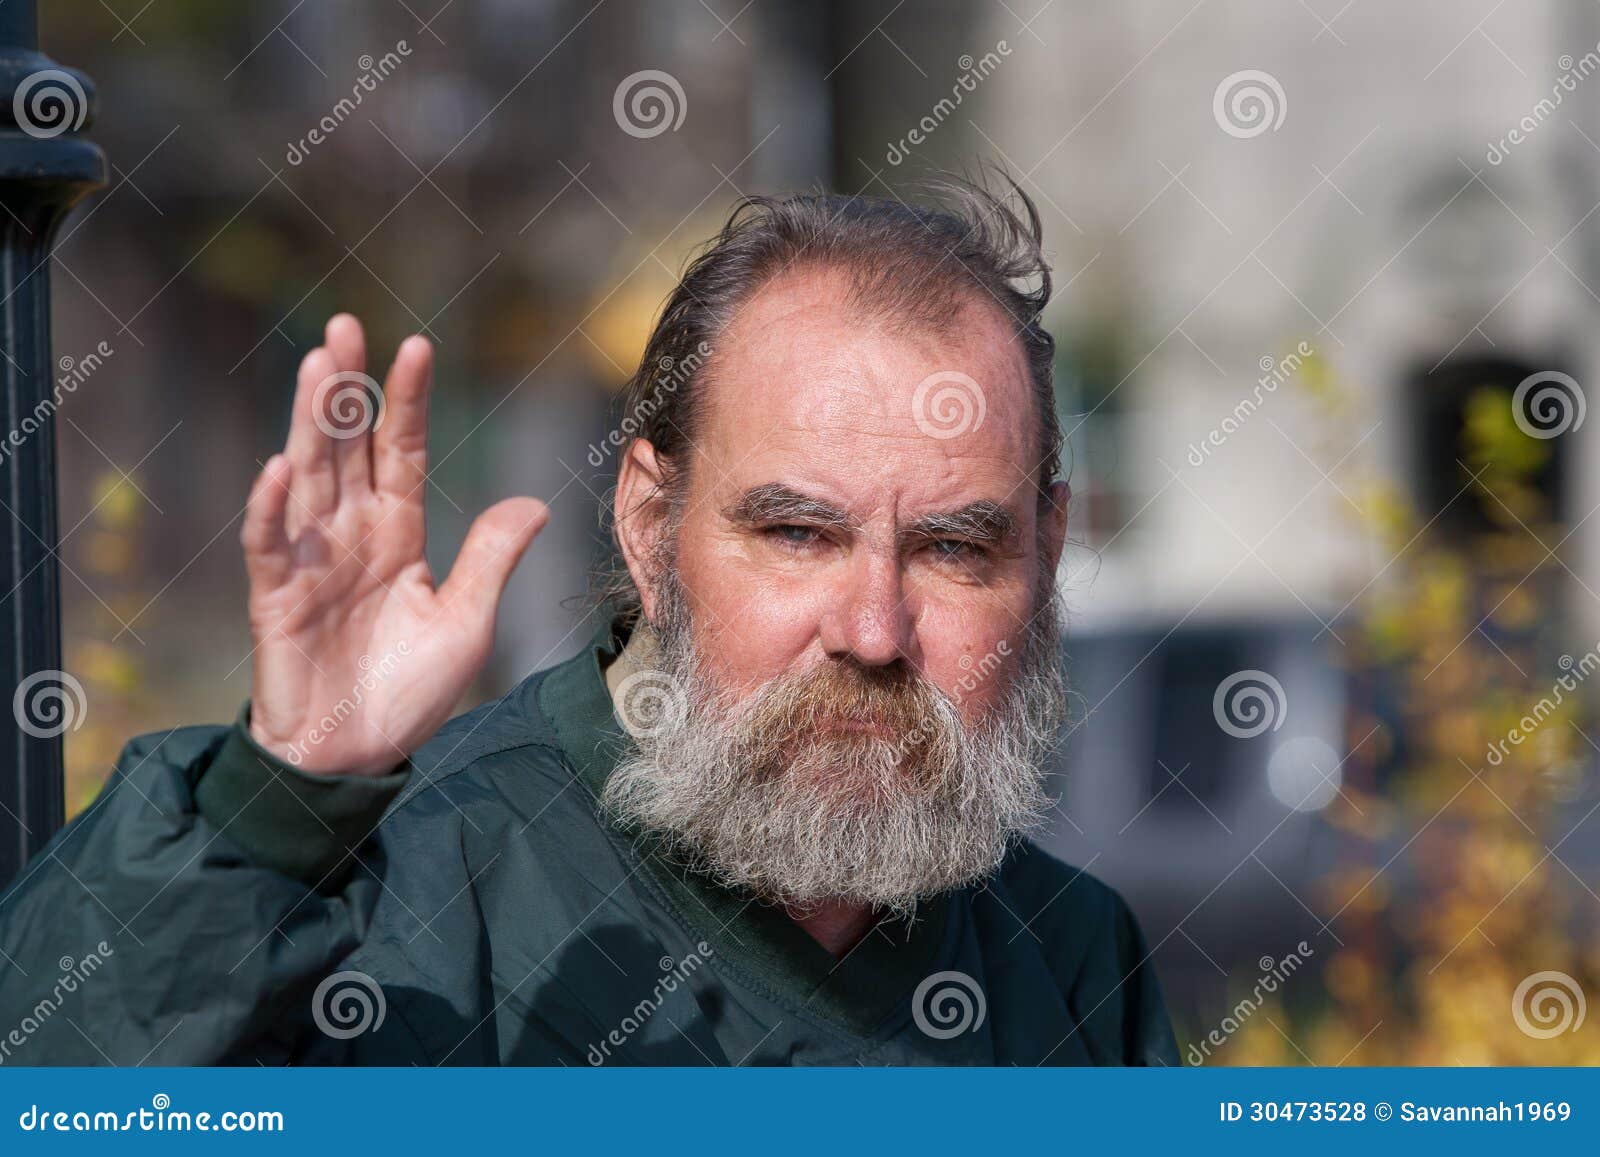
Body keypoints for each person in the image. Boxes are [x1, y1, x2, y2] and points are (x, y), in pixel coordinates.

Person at [0, 178, 1176, 1066]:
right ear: (649, 528)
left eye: (954, 549)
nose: (873, 630)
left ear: (1049, 551)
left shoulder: (1069, 963)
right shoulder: (390, 893)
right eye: (796, 535)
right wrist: (280, 797)